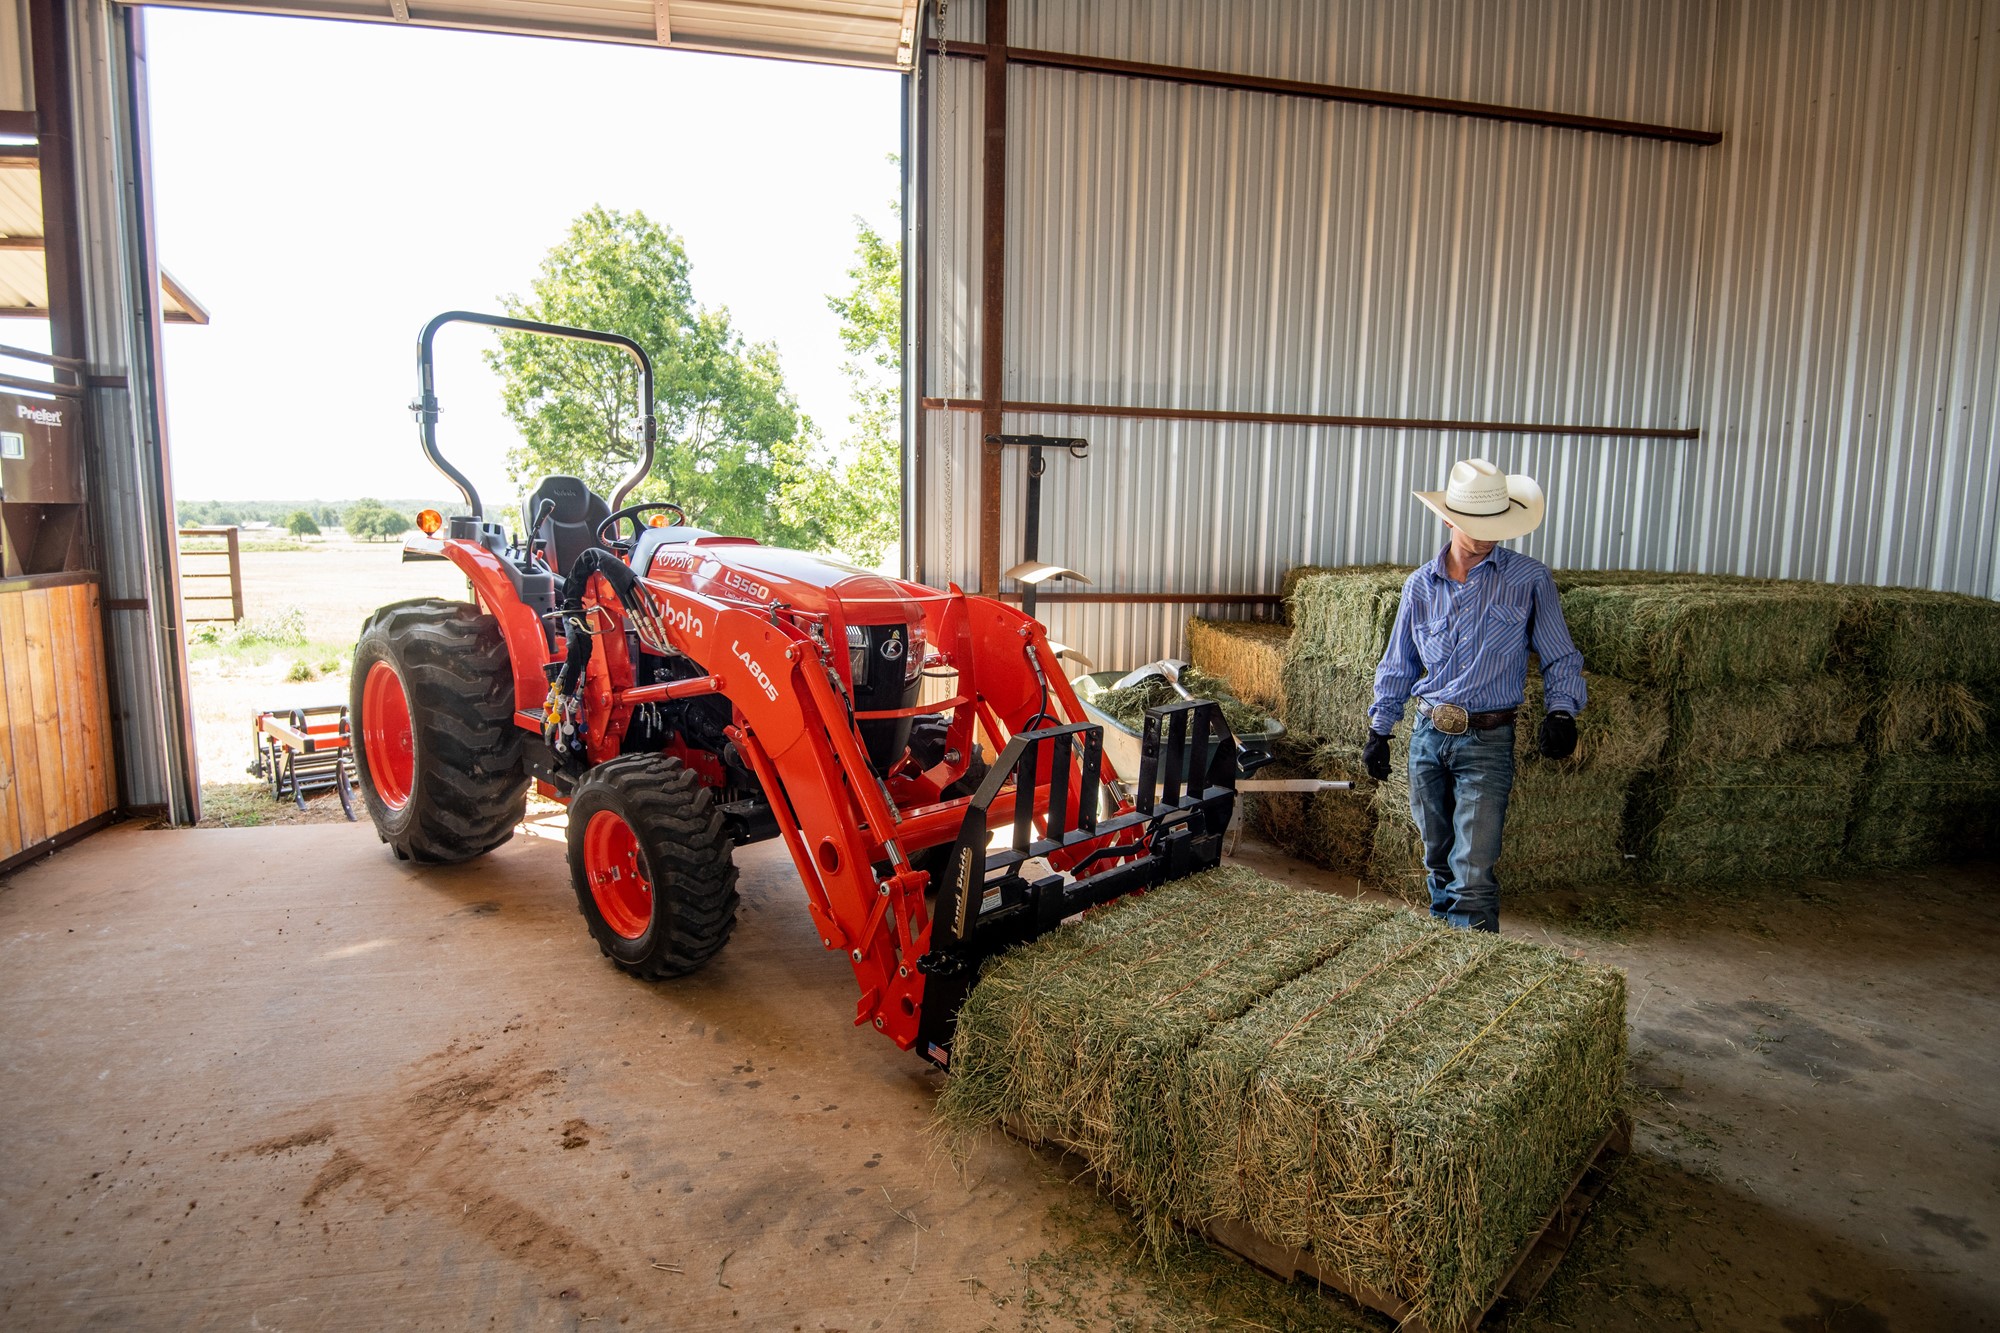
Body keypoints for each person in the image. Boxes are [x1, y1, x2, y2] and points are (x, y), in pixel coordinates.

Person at [1362, 458, 1585, 932]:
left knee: (1472, 872)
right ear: (1448, 519)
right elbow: (1399, 662)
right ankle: (1444, 954)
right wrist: (1379, 730)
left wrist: (1562, 711)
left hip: (1487, 739)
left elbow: (1559, 654)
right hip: (1427, 736)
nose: (1487, 535)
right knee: (1438, 860)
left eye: (1496, 524)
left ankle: (1471, 964)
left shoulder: (1529, 580)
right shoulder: (1420, 586)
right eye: (1474, 524)